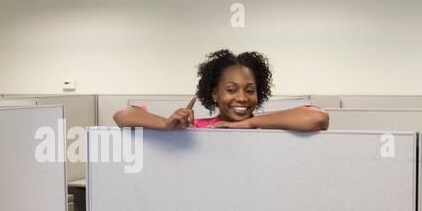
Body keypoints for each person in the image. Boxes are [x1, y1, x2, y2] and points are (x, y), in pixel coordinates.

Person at [112, 49, 329, 132]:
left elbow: (318, 117)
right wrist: (164, 124)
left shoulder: (268, 128)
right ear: (215, 93)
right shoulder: (198, 129)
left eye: (250, 90)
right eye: (231, 89)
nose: (242, 98)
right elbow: (123, 115)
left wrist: (250, 123)